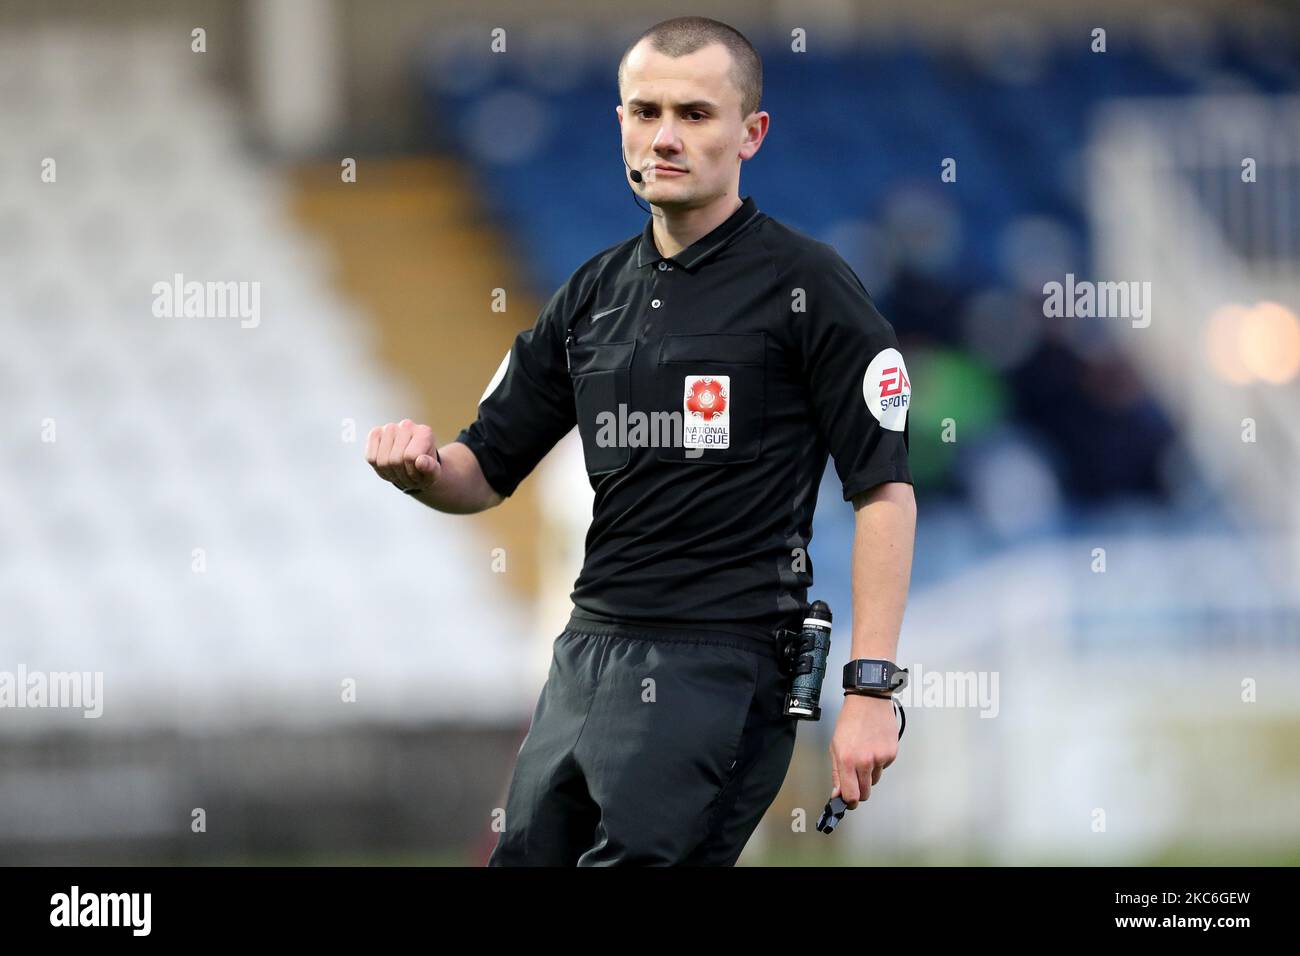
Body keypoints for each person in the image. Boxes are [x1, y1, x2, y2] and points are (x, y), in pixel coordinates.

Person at [365, 16, 916, 866]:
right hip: (586, 655)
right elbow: (483, 469)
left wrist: (871, 688)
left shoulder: (809, 287)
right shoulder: (590, 294)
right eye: (645, 110)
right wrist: (423, 471)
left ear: (750, 134)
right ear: (620, 121)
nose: (664, 136)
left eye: (695, 114)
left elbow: (884, 489)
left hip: (721, 663)